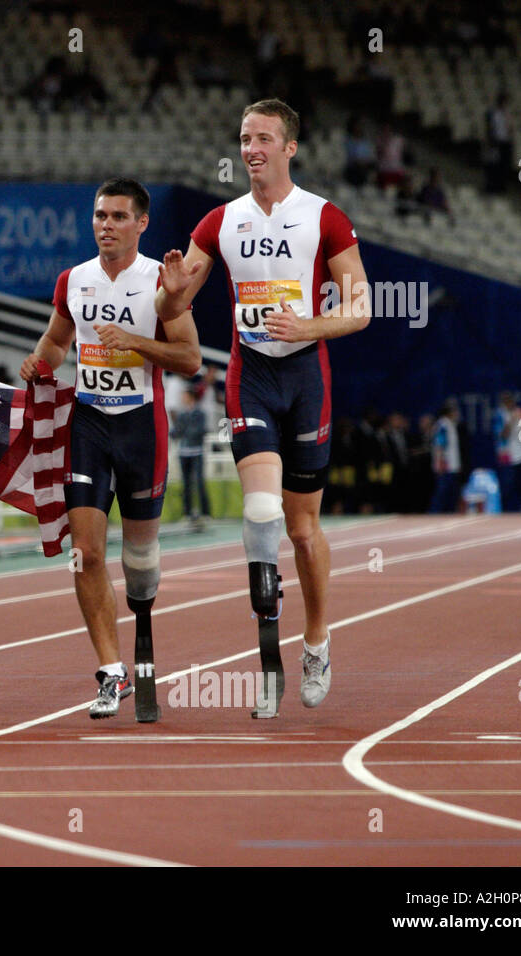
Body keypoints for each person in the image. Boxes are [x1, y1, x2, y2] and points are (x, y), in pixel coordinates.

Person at [155, 98, 371, 717]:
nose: (250, 149)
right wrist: (171, 298)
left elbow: (361, 308)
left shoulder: (324, 217)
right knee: (258, 510)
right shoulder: (219, 222)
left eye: (263, 139)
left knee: (302, 531)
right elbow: (173, 311)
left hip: (306, 380)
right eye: (244, 138)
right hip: (249, 378)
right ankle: (267, 659)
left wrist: (308, 324)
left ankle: (318, 640)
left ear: (289, 147)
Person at [21, 178, 201, 721]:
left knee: (139, 563)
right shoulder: (73, 280)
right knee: (88, 552)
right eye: (100, 215)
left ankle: (142, 619)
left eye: (119, 217)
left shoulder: (159, 282)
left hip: (142, 430)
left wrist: (135, 342)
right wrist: (41, 361)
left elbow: (190, 358)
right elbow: (57, 339)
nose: (106, 225)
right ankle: (111, 672)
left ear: (141, 224)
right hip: (90, 427)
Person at [172, 385, 211, 531]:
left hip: (197, 451)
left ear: (191, 397)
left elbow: (200, 430)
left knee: (199, 482)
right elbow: (176, 431)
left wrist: (185, 432)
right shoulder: (181, 414)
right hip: (184, 452)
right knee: (186, 483)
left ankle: (205, 512)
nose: (183, 398)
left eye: (185, 396)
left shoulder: (200, 413)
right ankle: (187, 512)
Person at [493, 391, 521, 512]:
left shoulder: (520, 412)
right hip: (508, 455)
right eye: (506, 401)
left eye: (510, 401)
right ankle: (508, 511)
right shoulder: (499, 415)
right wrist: (511, 420)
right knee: (508, 486)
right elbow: (502, 436)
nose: (509, 403)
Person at [429, 400, 462, 513]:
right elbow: (439, 445)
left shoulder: (450, 424)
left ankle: (448, 516)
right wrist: (441, 463)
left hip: (452, 466)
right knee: (441, 494)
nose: (457, 413)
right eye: (455, 411)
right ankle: (434, 515)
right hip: (445, 467)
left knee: (451, 496)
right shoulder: (442, 424)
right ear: (449, 412)